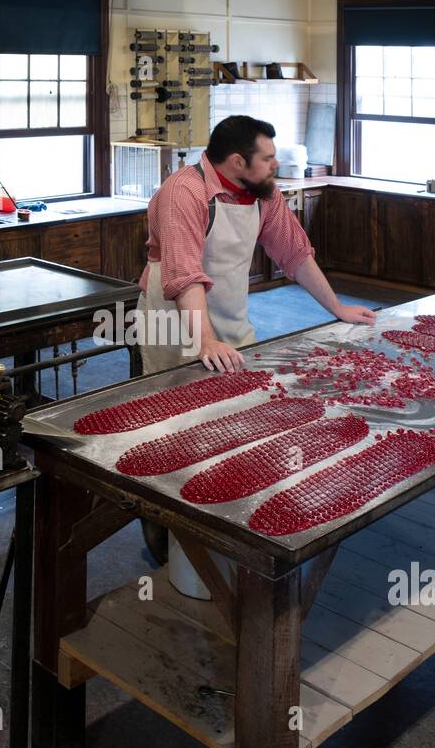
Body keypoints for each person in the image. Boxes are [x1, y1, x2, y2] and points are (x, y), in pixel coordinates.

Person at [134, 115, 375, 579]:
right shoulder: (183, 192)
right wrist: (204, 340)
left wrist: (337, 308)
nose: (275, 164)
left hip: (228, 316)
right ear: (238, 161)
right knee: (172, 425)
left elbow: (294, 253)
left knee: (236, 420)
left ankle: (223, 517)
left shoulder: (263, 194)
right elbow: (184, 273)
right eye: (267, 158)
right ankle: (159, 518)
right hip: (172, 321)